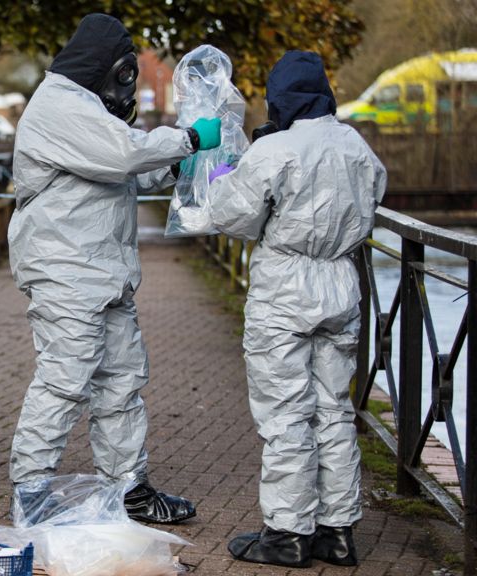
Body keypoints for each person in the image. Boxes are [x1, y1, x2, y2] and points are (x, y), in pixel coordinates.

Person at [6, 13, 221, 524]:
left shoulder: (85, 108)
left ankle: (129, 488)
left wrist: (174, 167)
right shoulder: (59, 102)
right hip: (65, 270)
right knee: (64, 379)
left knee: (122, 382)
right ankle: (30, 492)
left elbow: (120, 180)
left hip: (104, 271)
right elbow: (123, 156)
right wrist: (188, 139)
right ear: (110, 67)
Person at [208, 51, 386, 567]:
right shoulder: (357, 145)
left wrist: (224, 177)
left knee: (286, 412)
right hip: (339, 283)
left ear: (279, 98)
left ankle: (287, 533)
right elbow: (373, 199)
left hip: (285, 288)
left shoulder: (275, 150)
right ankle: (337, 531)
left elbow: (233, 218)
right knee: (333, 409)